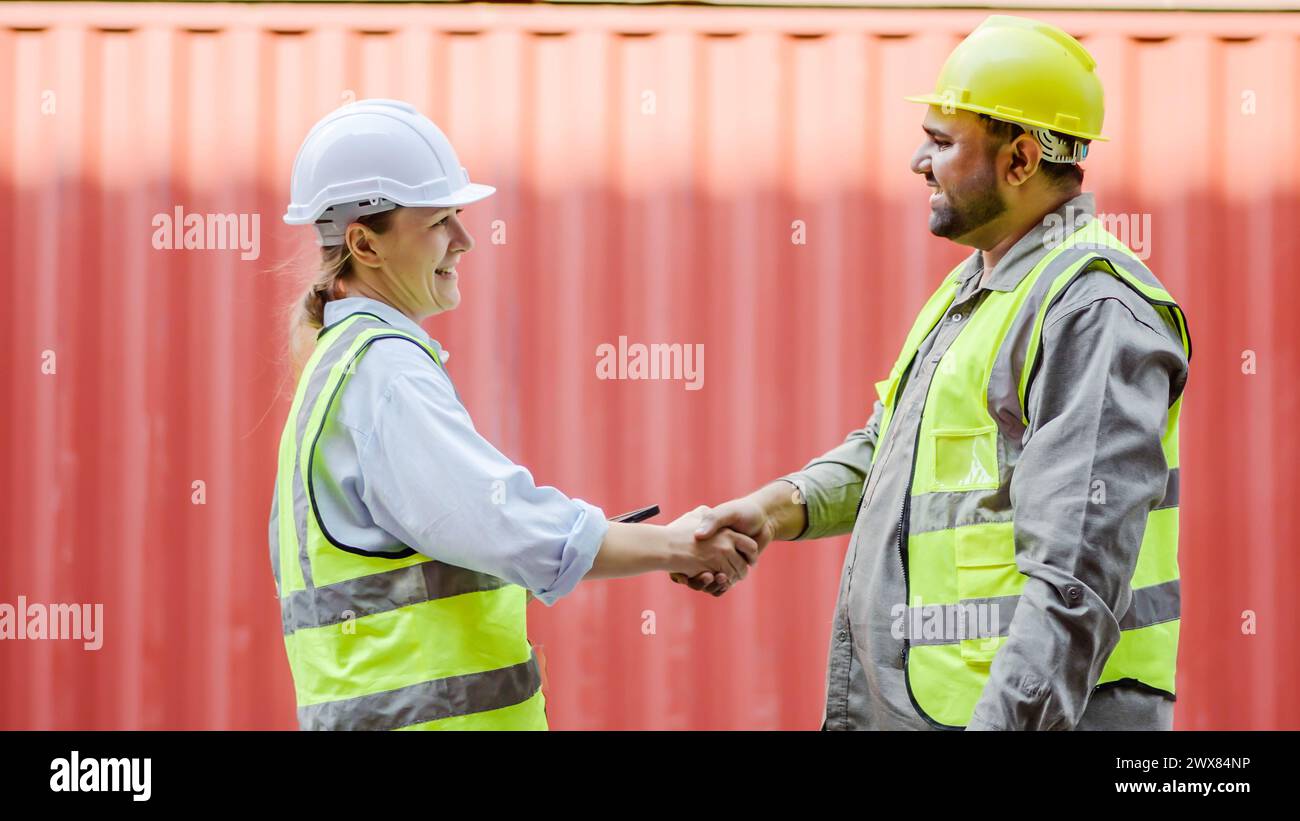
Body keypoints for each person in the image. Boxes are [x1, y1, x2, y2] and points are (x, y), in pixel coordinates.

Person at [680, 15, 1191, 731]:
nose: (917, 160)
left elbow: (1075, 576)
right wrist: (771, 509)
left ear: (1018, 159)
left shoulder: (1092, 308)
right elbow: (889, 453)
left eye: (942, 142)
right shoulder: (975, 291)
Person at [270, 99, 756, 731]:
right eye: (441, 221)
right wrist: (676, 546)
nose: (466, 241)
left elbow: (465, 539)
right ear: (366, 243)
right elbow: (502, 521)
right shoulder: (384, 371)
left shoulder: (343, 363)